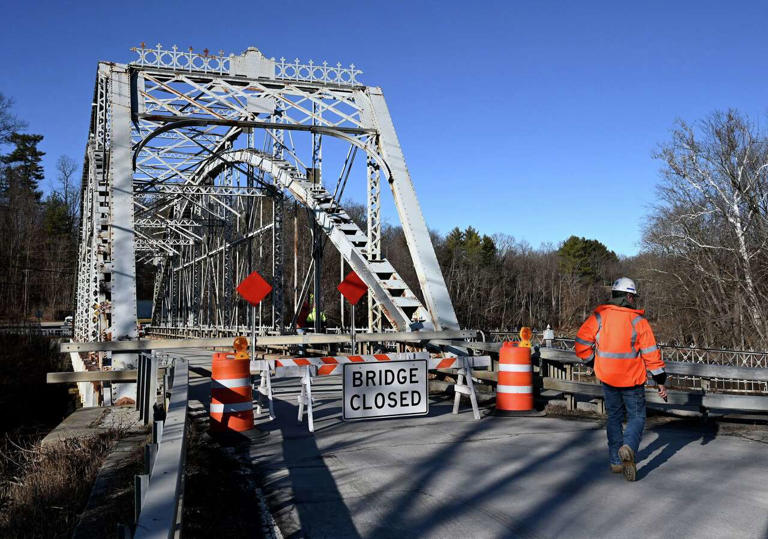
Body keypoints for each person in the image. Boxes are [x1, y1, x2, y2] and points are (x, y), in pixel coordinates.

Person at [574, 277, 667, 481]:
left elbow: (581, 344)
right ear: (628, 296)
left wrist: (593, 363)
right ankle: (629, 447)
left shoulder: (600, 316)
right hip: (632, 380)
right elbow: (651, 354)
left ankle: (616, 461)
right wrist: (660, 380)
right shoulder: (638, 321)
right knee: (636, 417)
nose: (634, 300)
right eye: (633, 296)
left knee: (614, 418)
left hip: (608, 377)